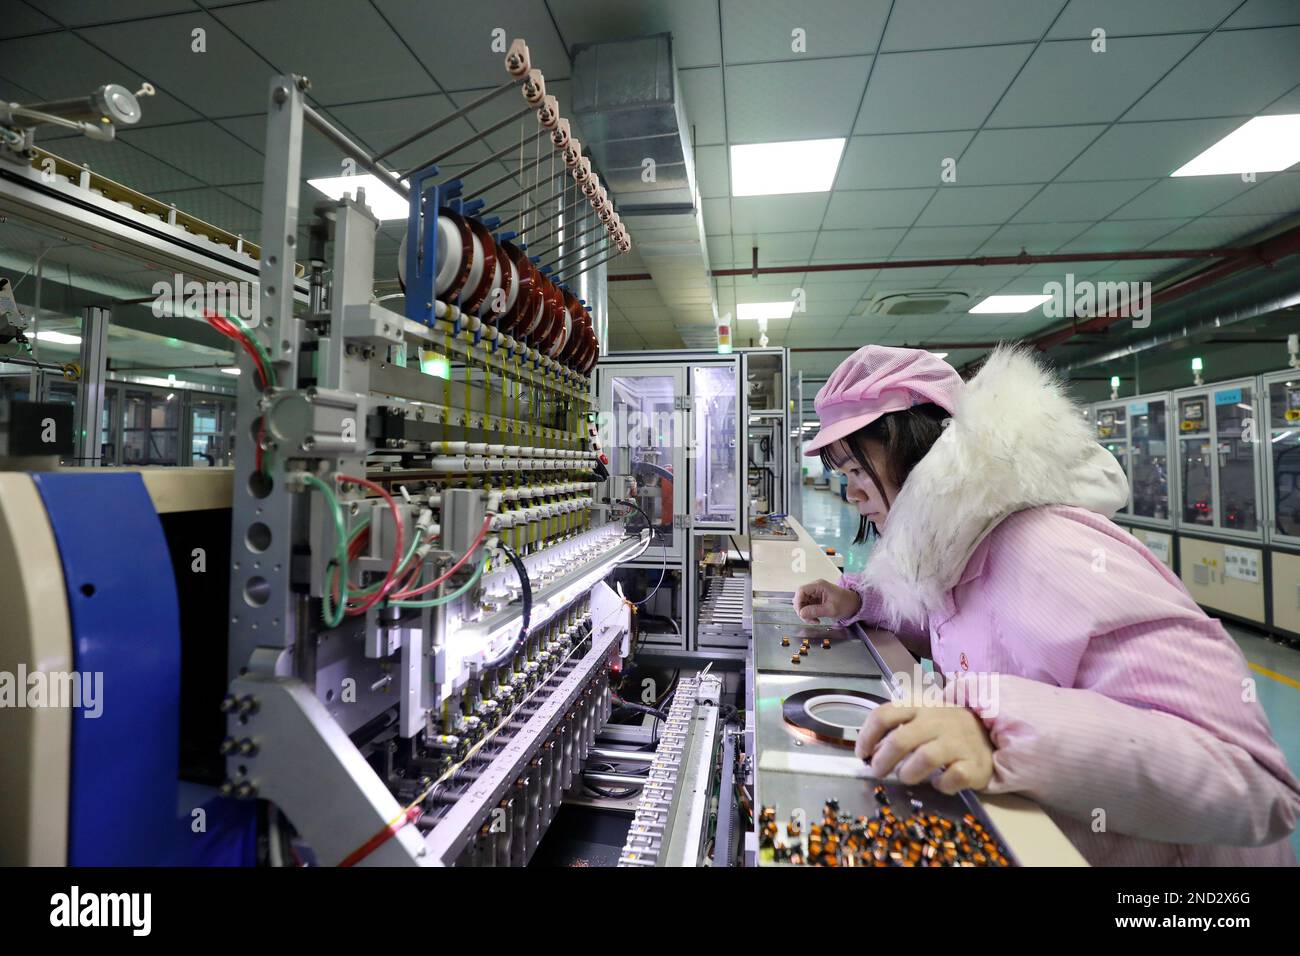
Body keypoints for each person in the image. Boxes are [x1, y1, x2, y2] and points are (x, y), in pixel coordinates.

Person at [793, 344, 1300, 866]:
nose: (852, 494)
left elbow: (1252, 777)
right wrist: (861, 600)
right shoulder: (964, 546)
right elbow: (965, 628)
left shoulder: (1050, 549)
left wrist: (994, 727)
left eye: (857, 470)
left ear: (917, 450)